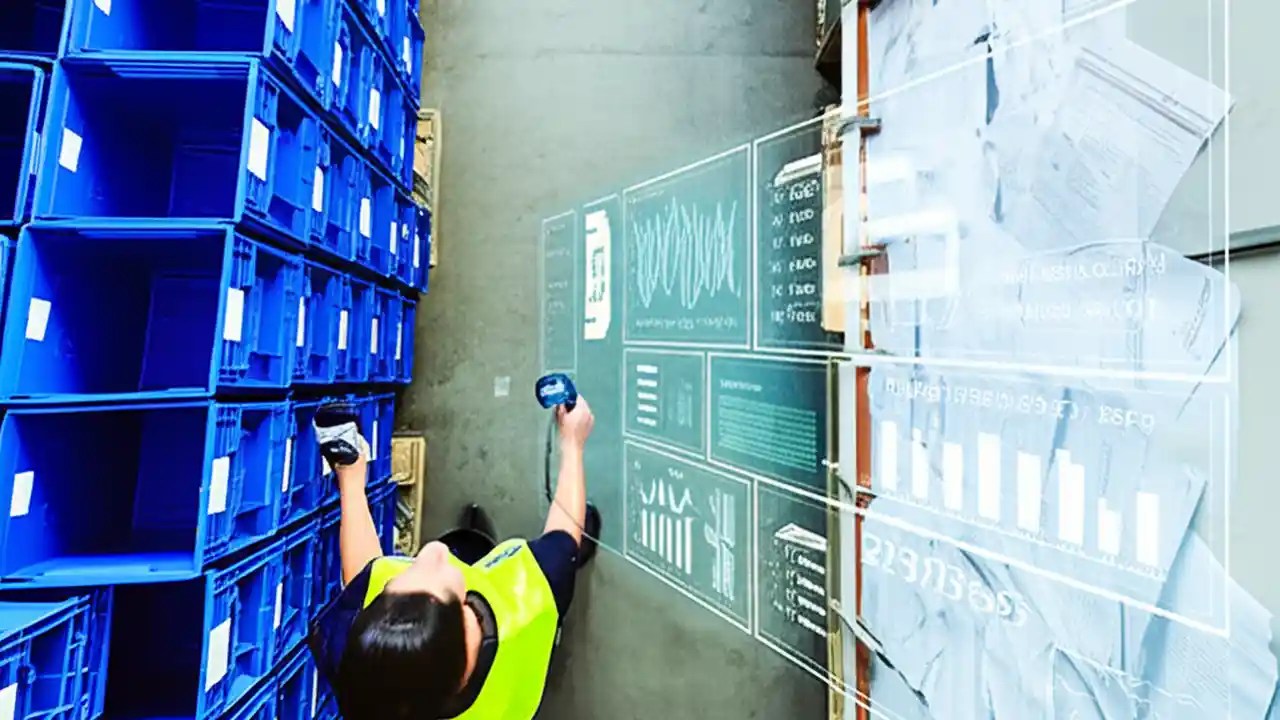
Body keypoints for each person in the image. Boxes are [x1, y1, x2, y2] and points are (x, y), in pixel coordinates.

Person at [307, 398, 599, 720]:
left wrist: (350, 479)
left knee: (458, 549)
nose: (432, 550)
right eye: (443, 585)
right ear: (459, 634)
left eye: (394, 585)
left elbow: (364, 579)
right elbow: (564, 534)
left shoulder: (358, 664)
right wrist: (573, 445)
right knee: (563, 557)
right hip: (535, 587)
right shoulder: (531, 603)